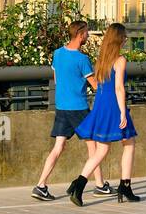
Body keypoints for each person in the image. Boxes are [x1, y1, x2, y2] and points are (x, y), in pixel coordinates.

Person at [31, 21, 111, 201]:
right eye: (87, 34)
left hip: (61, 107)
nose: (88, 36)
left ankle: (41, 185)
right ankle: (99, 185)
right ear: (81, 34)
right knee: (94, 146)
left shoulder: (57, 54)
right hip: (79, 108)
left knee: (58, 146)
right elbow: (95, 85)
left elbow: (57, 79)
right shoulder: (82, 59)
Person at [68, 22, 140, 205]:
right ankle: (125, 186)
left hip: (101, 104)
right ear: (119, 39)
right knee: (129, 143)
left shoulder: (102, 60)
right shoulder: (120, 60)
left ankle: (79, 185)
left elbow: (101, 85)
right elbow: (118, 88)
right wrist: (123, 112)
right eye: (124, 37)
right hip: (113, 106)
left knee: (101, 150)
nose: (125, 39)